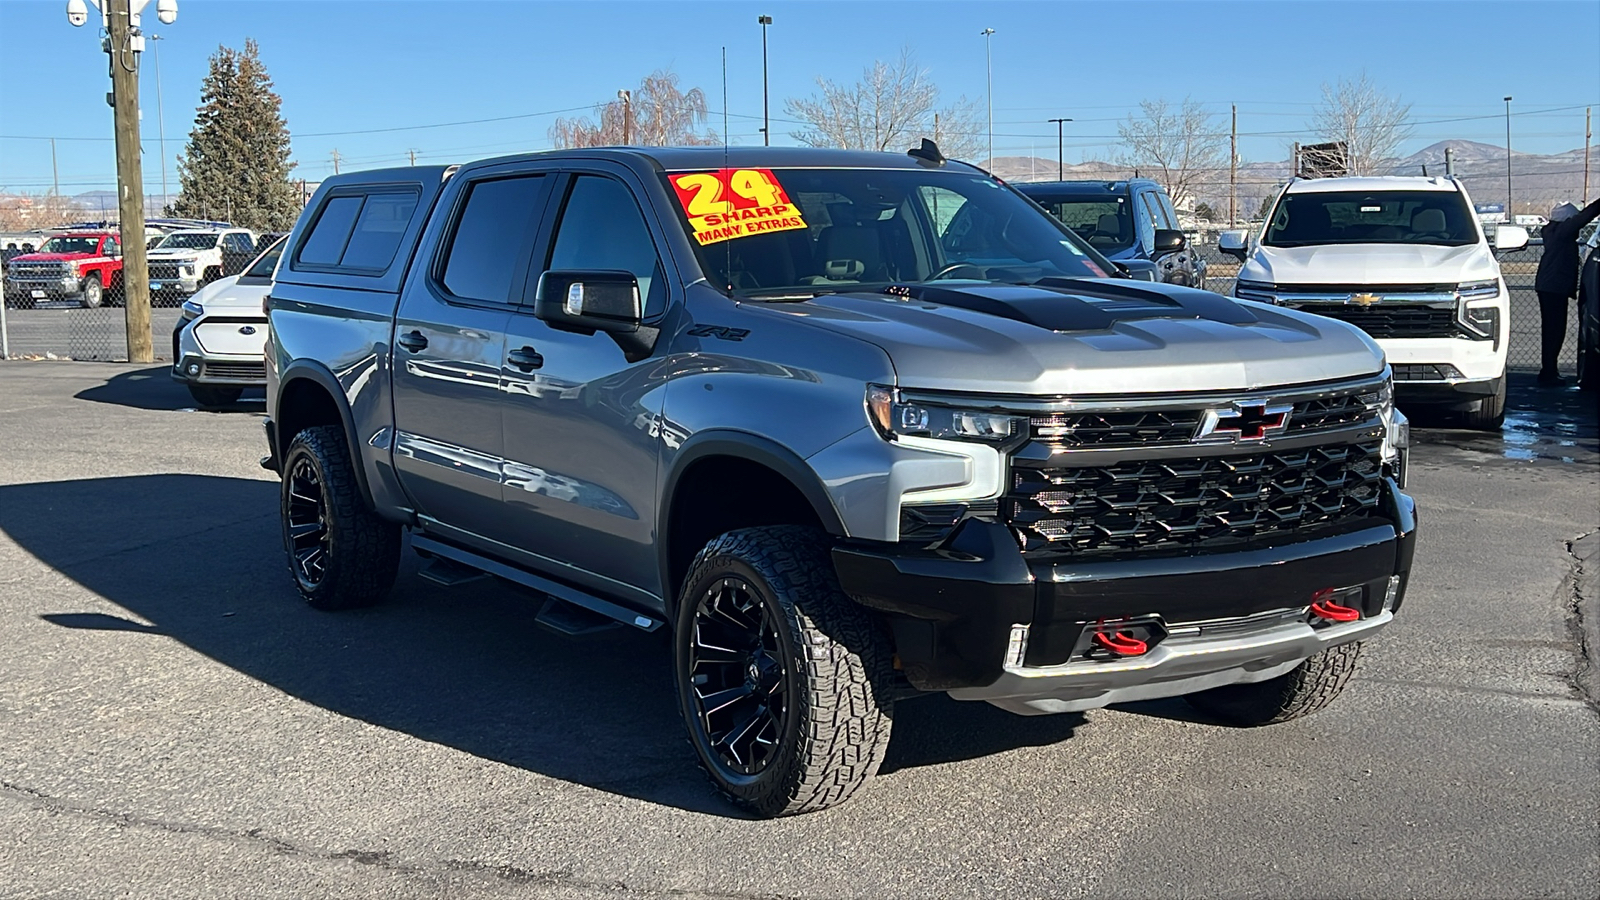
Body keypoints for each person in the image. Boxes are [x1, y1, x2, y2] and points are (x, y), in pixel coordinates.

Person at [1535, 197, 1600, 385]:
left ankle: (1549, 369)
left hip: (1549, 285)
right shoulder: (1563, 232)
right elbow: (1584, 218)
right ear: (1567, 220)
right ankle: (1549, 372)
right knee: (1555, 329)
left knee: (1552, 329)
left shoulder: (1554, 232)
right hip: (1554, 286)